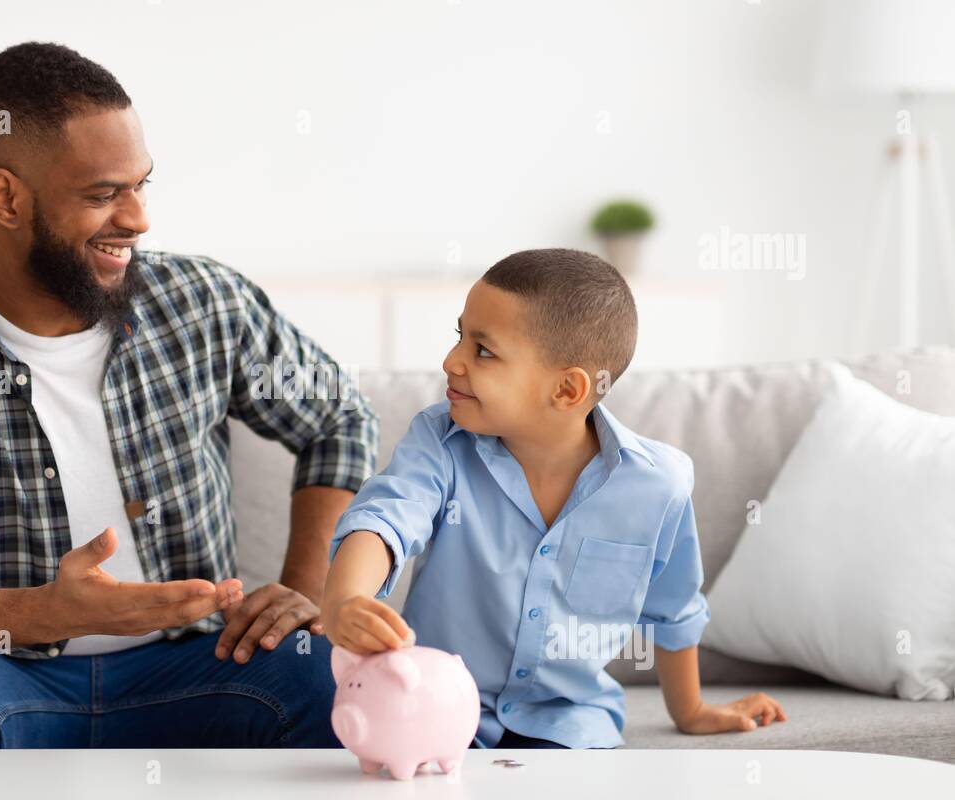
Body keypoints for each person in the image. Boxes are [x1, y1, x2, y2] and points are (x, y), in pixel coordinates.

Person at [0, 42, 378, 750]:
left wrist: (307, 591)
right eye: (104, 194)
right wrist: (45, 611)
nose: (136, 219)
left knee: (333, 678)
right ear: (7, 198)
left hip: (201, 664)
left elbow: (340, 418)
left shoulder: (204, 305)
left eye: (142, 185)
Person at [321, 248, 787, 749]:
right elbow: (385, 518)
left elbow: (673, 610)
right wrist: (345, 598)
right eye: (460, 336)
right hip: (433, 706)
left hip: (570, 724)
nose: (451, 361)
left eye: (483, 350)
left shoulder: (658, 485)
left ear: (567, 390)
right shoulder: (440, 442)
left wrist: (691, 711)